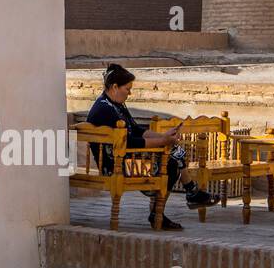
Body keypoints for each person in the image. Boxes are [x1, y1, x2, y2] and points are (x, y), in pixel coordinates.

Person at [86, 63, 219, 230]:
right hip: (117, 166)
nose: (130, 93)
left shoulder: (115, 105)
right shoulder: (104, 110)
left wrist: (164, 136)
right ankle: (173, 203)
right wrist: (163, 142)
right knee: (170, 164)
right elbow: (130, 142)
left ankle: (188, 193)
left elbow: (137, 131)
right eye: (127, 89)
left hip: (126, 159)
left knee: (174, 152)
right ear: (114, 87)